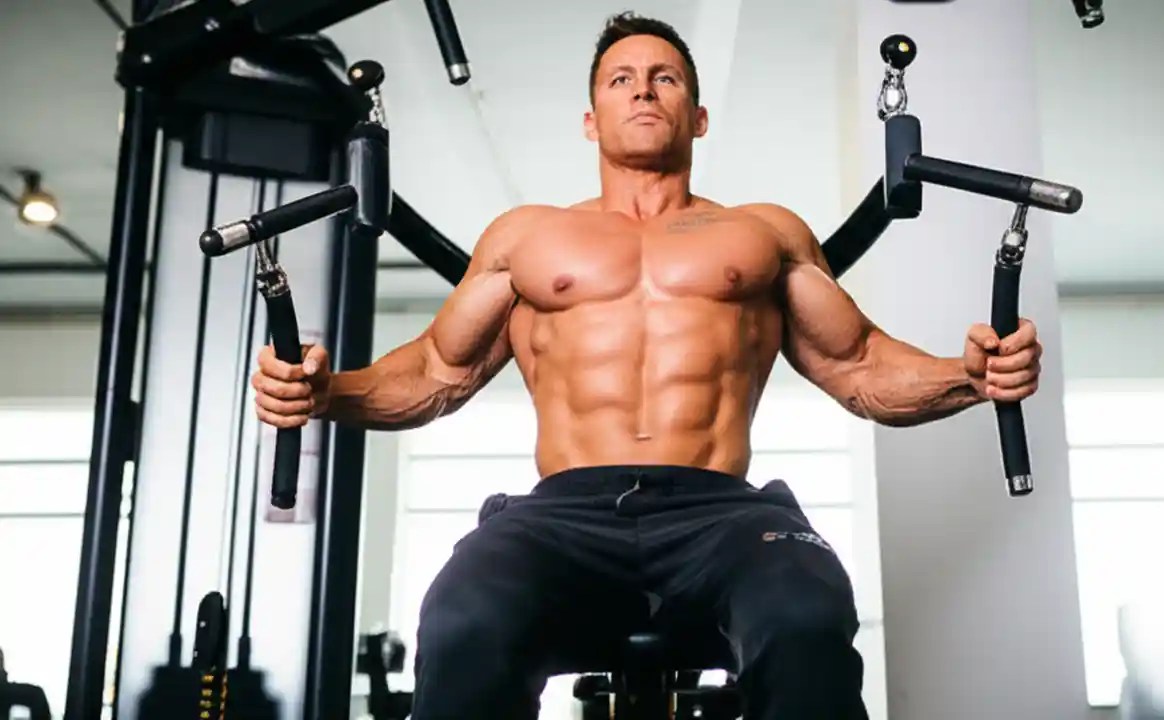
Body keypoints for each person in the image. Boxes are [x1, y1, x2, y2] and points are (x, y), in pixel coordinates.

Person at [253, 12, 1042, 720]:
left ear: (697, 116)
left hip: (722, 514)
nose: (643, 91)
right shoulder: (526, 238)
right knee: (463, 618)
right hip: (562, 515)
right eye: (621, 79)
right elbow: (434, 372)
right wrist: (323, 392)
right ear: (591, 120)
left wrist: (969, 375)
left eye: (664, 78)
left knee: (805, 616)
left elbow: (860, 363)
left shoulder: (763, 233)